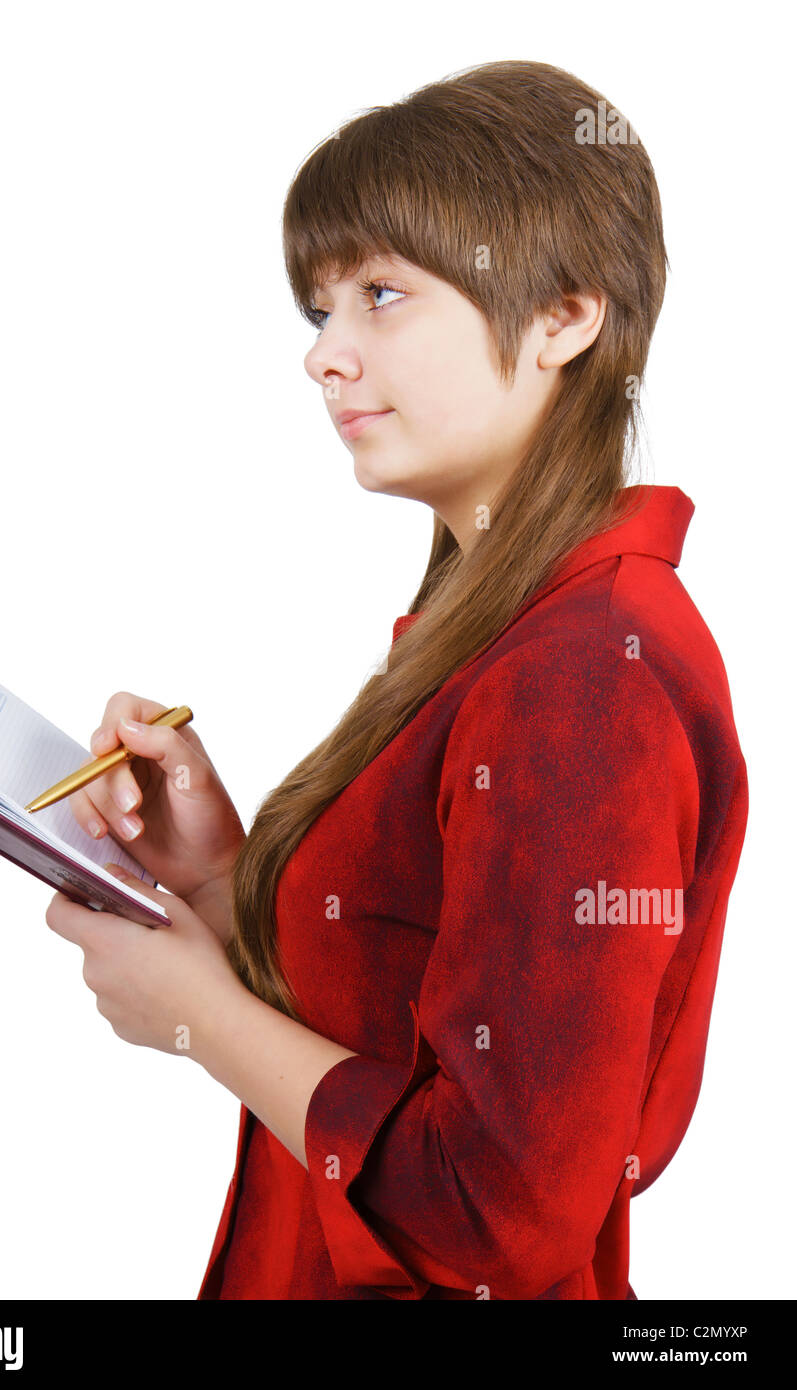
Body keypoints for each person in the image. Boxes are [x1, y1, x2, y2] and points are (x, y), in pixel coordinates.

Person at [45, 59, 749, 1300]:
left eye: (381, 296)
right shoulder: (493, 631)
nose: (325, 357)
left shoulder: (585, 676)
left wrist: (201, 1017)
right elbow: (397, 1038)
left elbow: (500, 1213)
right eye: (319, 311)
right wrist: (216, 883)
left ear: (563, 318)